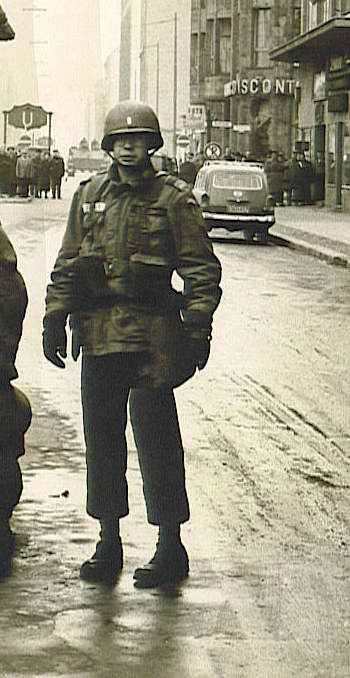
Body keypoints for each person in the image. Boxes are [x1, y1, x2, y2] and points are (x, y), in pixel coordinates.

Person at [43, 101, 222, 589]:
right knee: (102, 442)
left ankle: (170, 545)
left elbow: (201, 270)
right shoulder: (89, 196)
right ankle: (108, 541)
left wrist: (197, 325)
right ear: (108, 146)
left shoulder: (174, 200)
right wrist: (55, 317)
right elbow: (68, 262)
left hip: (152, 338)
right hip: (99, 335)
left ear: (152, 145)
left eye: (137, 140)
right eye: (120, 140)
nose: (128, 147)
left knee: (158, 443)